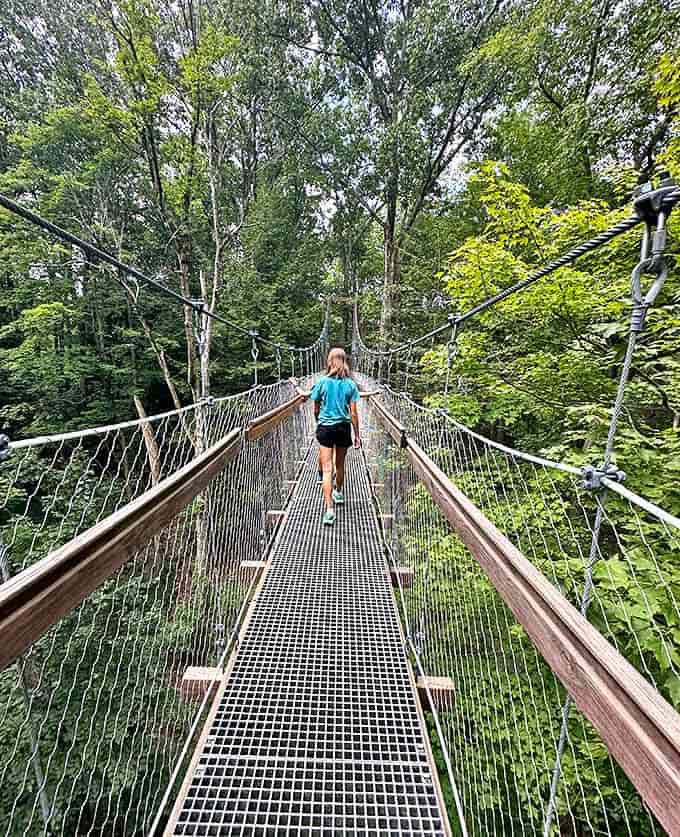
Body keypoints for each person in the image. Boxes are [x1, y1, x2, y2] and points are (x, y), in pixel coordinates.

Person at [309, 347, 362, 526]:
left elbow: (316, 407)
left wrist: (319, 420)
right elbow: (354, 414)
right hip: (343, 428)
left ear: (329, 361)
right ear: (345, 361)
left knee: (327, 469)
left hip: (325, 428)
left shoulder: (322, 382)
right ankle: (339, 493)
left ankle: (329, 510)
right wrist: (357, 435)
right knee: (340, 465)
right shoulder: (350, 385)